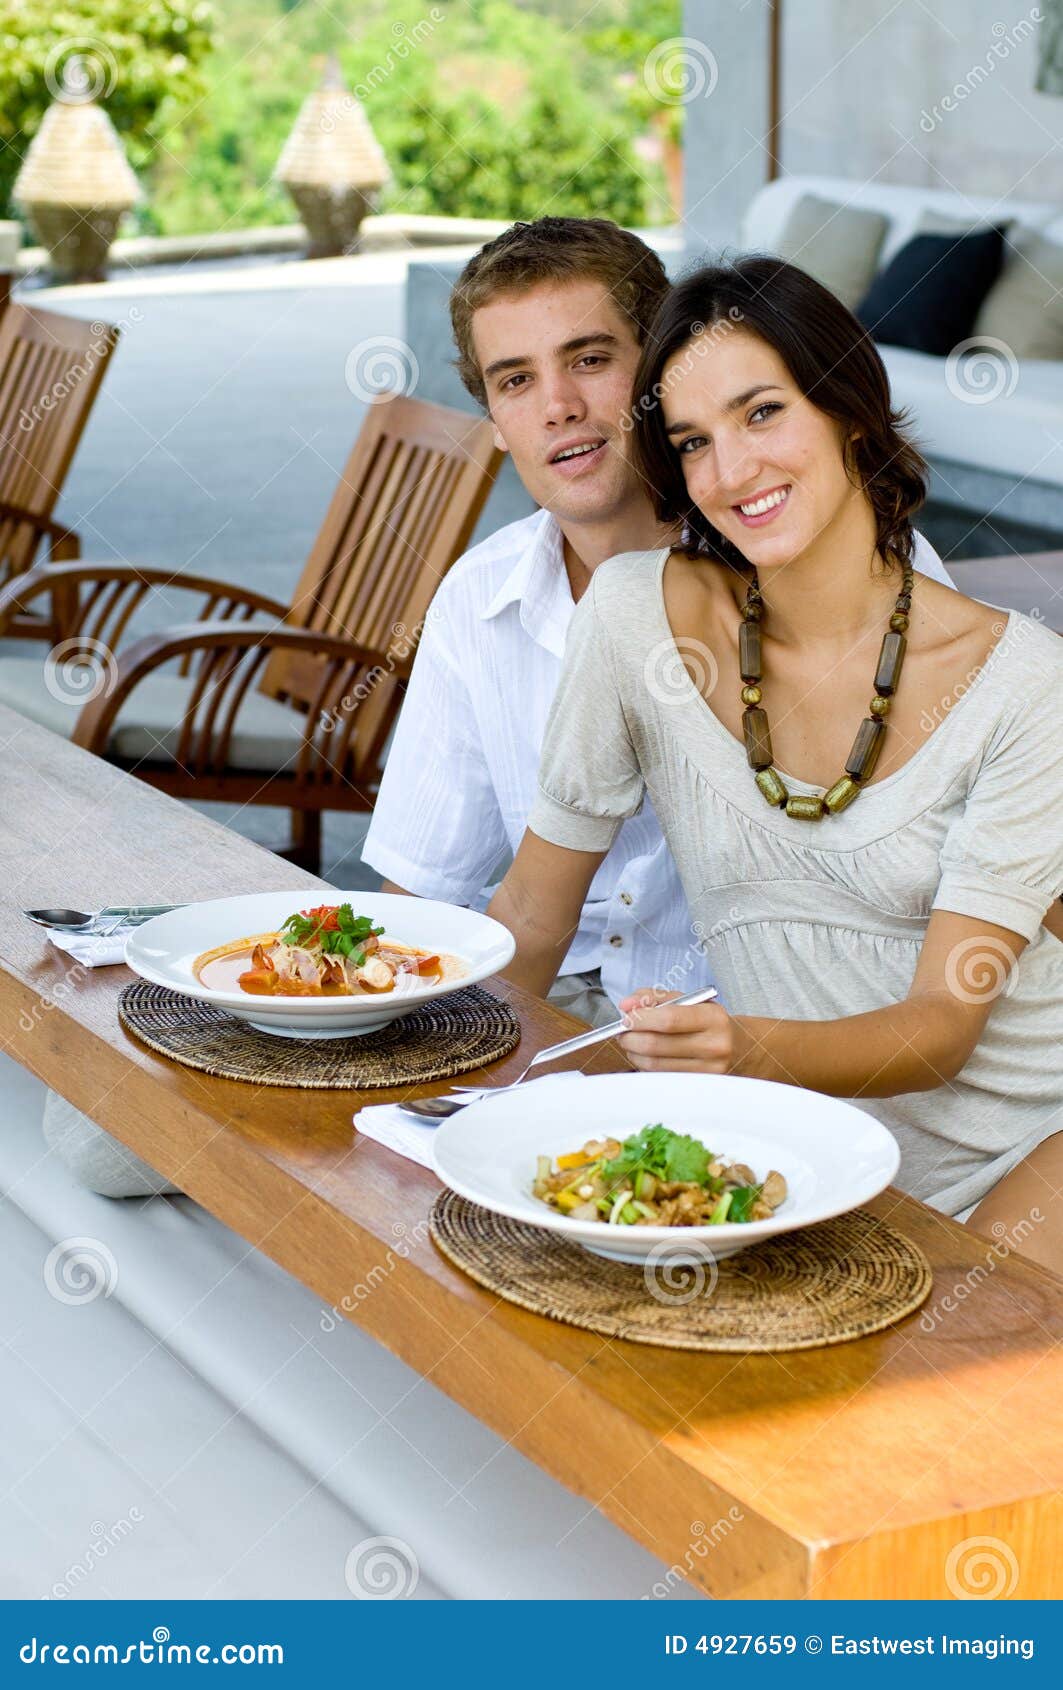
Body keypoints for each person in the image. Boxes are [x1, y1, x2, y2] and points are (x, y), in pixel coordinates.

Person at [487, 255, 1063, 1272]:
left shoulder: (1020, 683)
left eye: (761, 414)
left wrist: (737, 1048)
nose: (731, 471)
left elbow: (939, 1026)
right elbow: (535, 909)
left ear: (846, 408)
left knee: (942, 1389)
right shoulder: (633, 619)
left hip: (1023, 1144)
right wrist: (440, 1099)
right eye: (693, 442)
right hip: (795, 1152)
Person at [362, 217, 957, 1029]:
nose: (559, 408)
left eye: (591, 360)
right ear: (495, 423)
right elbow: (423, 896)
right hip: (553, 1006)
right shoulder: (478, 596)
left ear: (667, 371)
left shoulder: (849, 563)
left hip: (796, 1028)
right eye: (515, 381)